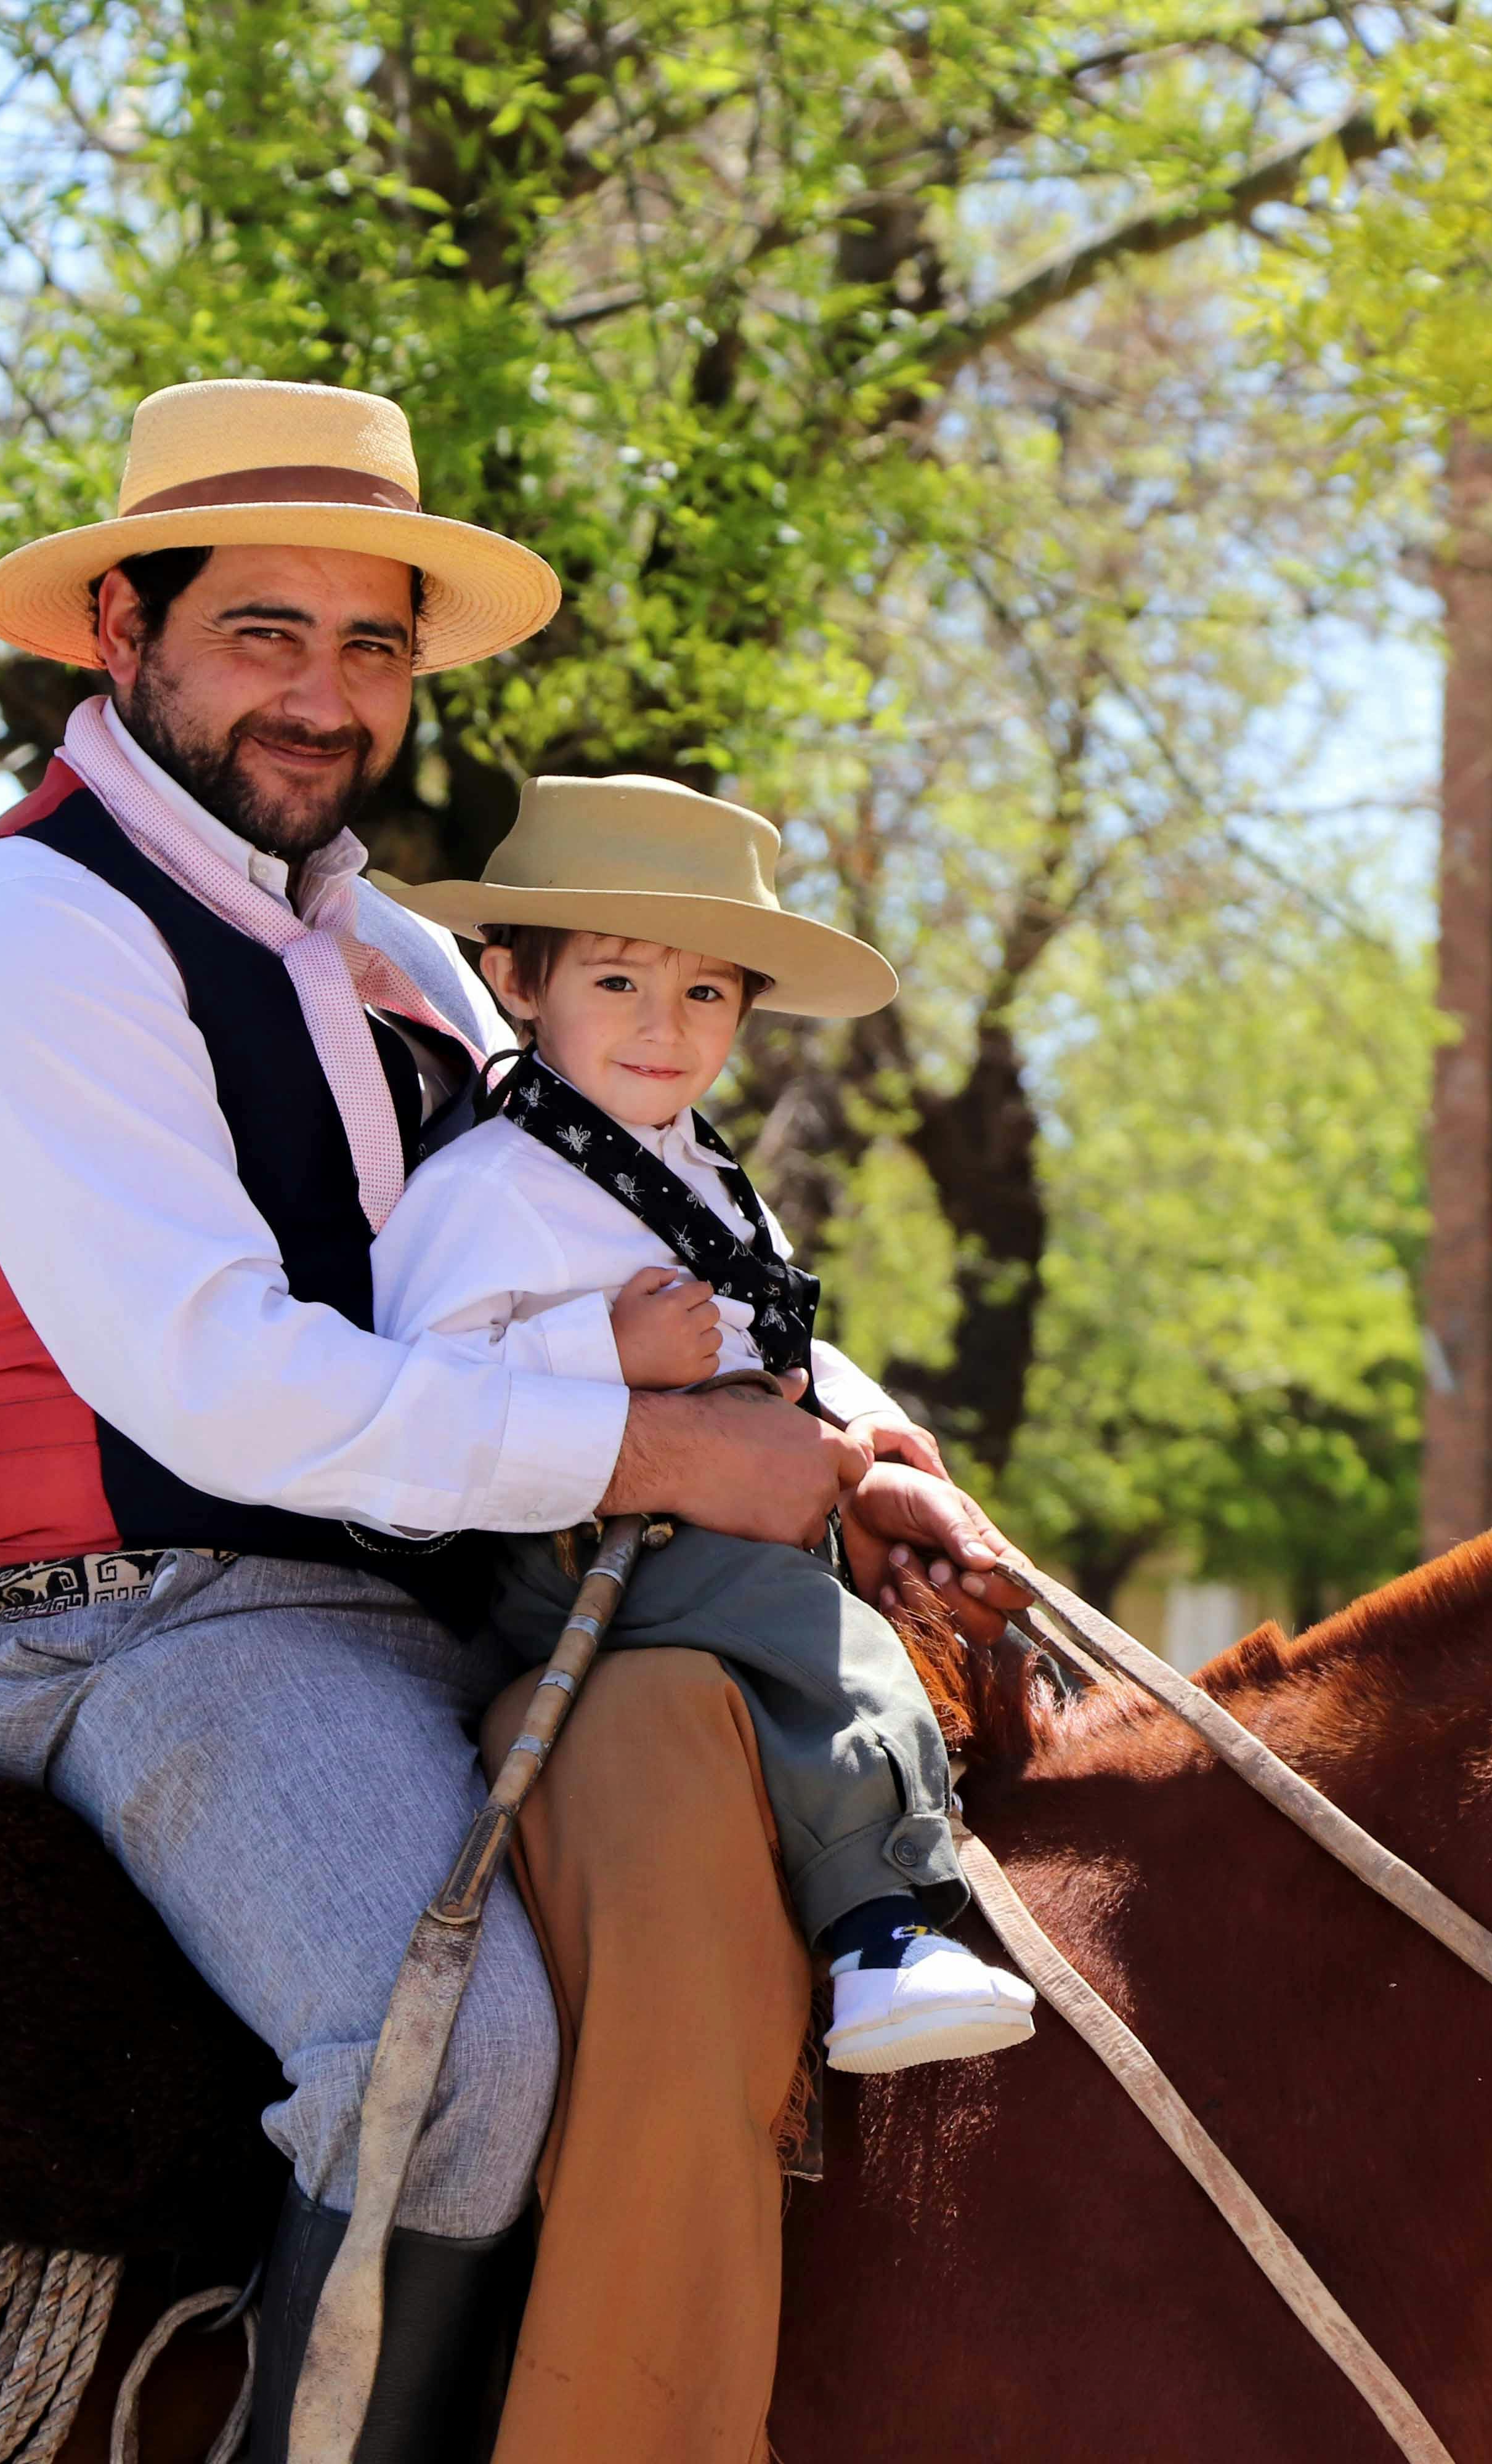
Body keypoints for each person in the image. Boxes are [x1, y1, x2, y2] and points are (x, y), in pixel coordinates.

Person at [0, 376, 1007, 2460]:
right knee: (444, 2066)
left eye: (370, 643)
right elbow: (228, 1386)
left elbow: (633, 1231)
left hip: (464, 1588)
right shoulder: (28, 938)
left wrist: (881, 1453)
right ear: (127, 631)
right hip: (161, 1617)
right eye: (261, 633)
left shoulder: (391, 952)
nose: (325, 693)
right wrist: (667, 1459)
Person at [367, 777, 1038, 2073]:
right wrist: (603, 1351)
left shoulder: (706, 1173)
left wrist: (865, 1435)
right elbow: (417, 1390)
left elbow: (781, 1335)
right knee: (804, 1631)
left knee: (953, 1618)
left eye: (706, 993)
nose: (664, 1027)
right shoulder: (486, 1186)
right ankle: (880, 1925)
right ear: (517, 980)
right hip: (577, 1540)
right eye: (618, 983)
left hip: (719, 1514)